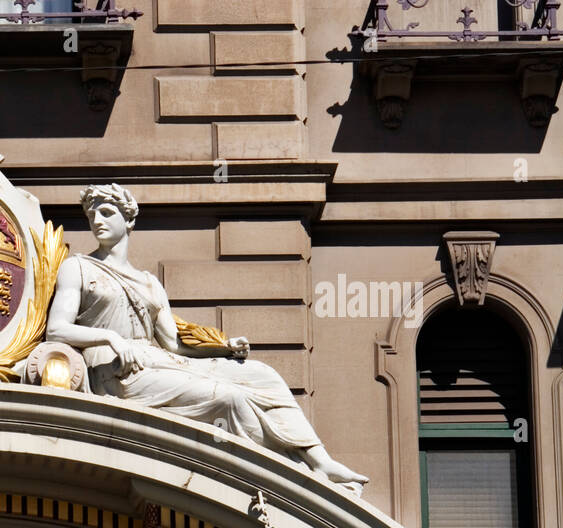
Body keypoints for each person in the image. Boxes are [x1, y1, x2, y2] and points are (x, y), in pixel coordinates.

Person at [46, 183, 368, 492]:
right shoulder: (77, 267)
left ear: (128, 219)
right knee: (230, 398)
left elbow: (173, 344)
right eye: (91, 216)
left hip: (158, 360)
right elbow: (56, 329)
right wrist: (109, 339)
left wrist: (224, 348)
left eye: (105, 213)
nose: (97, 221)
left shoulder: (149, 283)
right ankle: (289, 476)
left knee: (262, 375)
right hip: (119, 372)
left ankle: (319, 461)